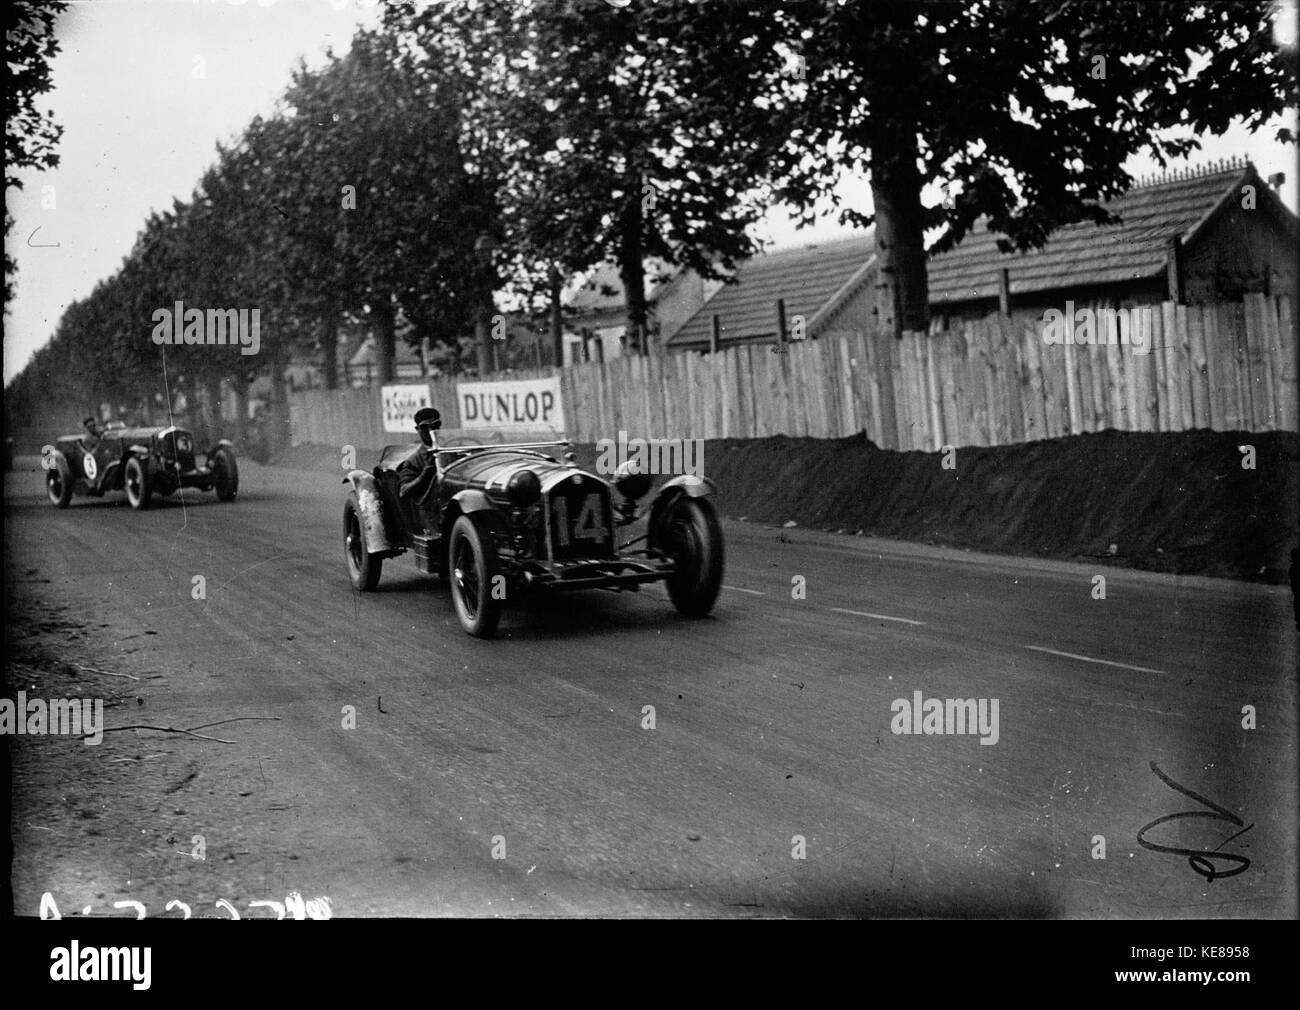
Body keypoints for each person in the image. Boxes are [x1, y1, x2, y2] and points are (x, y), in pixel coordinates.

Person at [396, 406, 441, 505]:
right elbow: (403, 491)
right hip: (431, 506)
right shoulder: (413, 461)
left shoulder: (452, 450)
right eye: (424, 427)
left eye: (435, 426)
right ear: (417, 429)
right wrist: (424, 476)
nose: (430, 430)